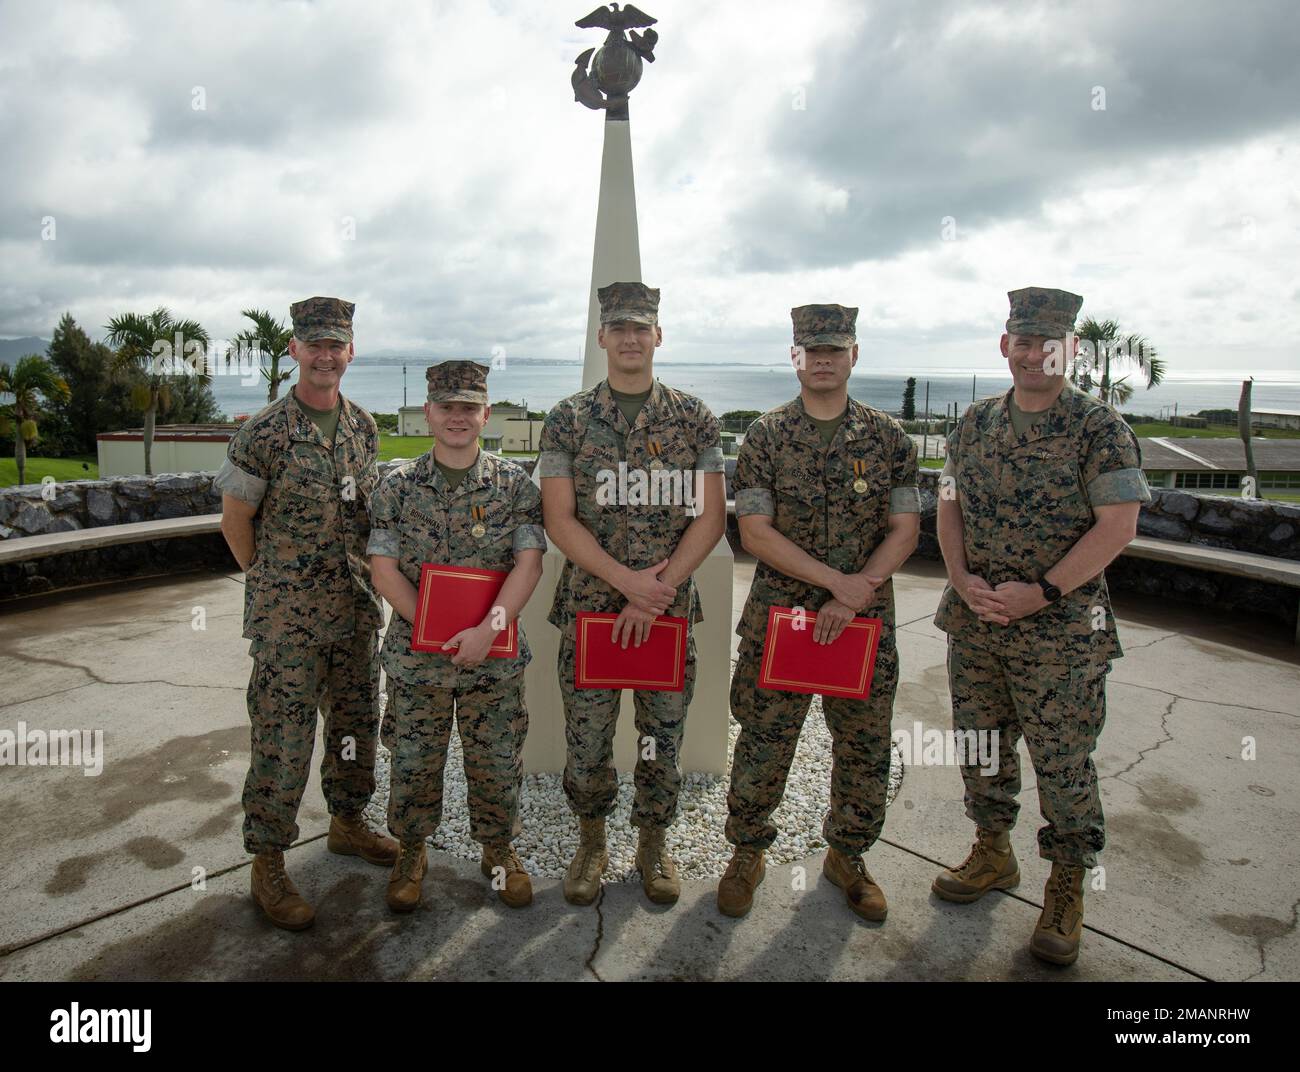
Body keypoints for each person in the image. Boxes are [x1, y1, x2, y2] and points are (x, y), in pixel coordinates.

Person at [931, 286, 1150, 966]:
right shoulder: (972, 425)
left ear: (1071, 349)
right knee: (980, 749)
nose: (1033, 353)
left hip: (1060, 633)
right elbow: (949, 503)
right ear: (1006, 347)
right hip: (977, 624)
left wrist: (1045, 592)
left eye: (1047, 342)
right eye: (1021, 341)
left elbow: (1119, 525)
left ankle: (1067, 885)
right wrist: (962, 577)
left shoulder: (1098, 429)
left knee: (1062, 764)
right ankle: (992, 853)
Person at [720, 303, 919, 921]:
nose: (825, 359)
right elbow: (754, 532)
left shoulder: (889, 439)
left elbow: (905, 528)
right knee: (764, 741)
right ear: (796, 357)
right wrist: (840, 584)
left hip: (860, 625)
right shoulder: (766, 437)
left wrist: (858, 591)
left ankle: (849, 856)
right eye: (813, 350)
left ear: (854, 355)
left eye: (837, 349)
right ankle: (746, 853)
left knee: (863, 748)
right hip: (784, 622)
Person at [538, 281, 727, 906]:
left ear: (658, 336)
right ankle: (592, 841)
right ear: (601, 338)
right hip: (593, 610)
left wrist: (659, 589)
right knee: (587, 738)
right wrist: (628, 585)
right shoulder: (568, 419)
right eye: (618, 328)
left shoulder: (695, 417)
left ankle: (653, 842)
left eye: (640, 328)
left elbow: (711, 516)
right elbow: (559, 518)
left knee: (661, 734)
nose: (629, 338)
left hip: (666, 613)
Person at [215, 295, 396, 932]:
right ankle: (267, 860)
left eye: (335, 345)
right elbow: (236, 522)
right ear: (294, 351)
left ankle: (348, 822)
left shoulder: (363, 428)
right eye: (313, 344)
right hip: (287, 624)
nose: (325, 355)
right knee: (282, 743)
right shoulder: (263, 432)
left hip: (353, 613)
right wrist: (270, 584)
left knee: (355, 727)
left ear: (351, 352)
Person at [367, 361, 546, 912]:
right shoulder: (395, 485)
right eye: (447, 407)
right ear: (429, 413)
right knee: (415, 759)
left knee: (495, 758)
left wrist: (488, 632)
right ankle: (411, 851)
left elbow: (529, 563)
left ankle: (499, 851)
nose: (458, 417)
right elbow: (383, 566)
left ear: (486, 414)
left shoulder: (514, 485)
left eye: (469, 407)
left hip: (491, 659)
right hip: (418, 661)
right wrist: (438, 629)